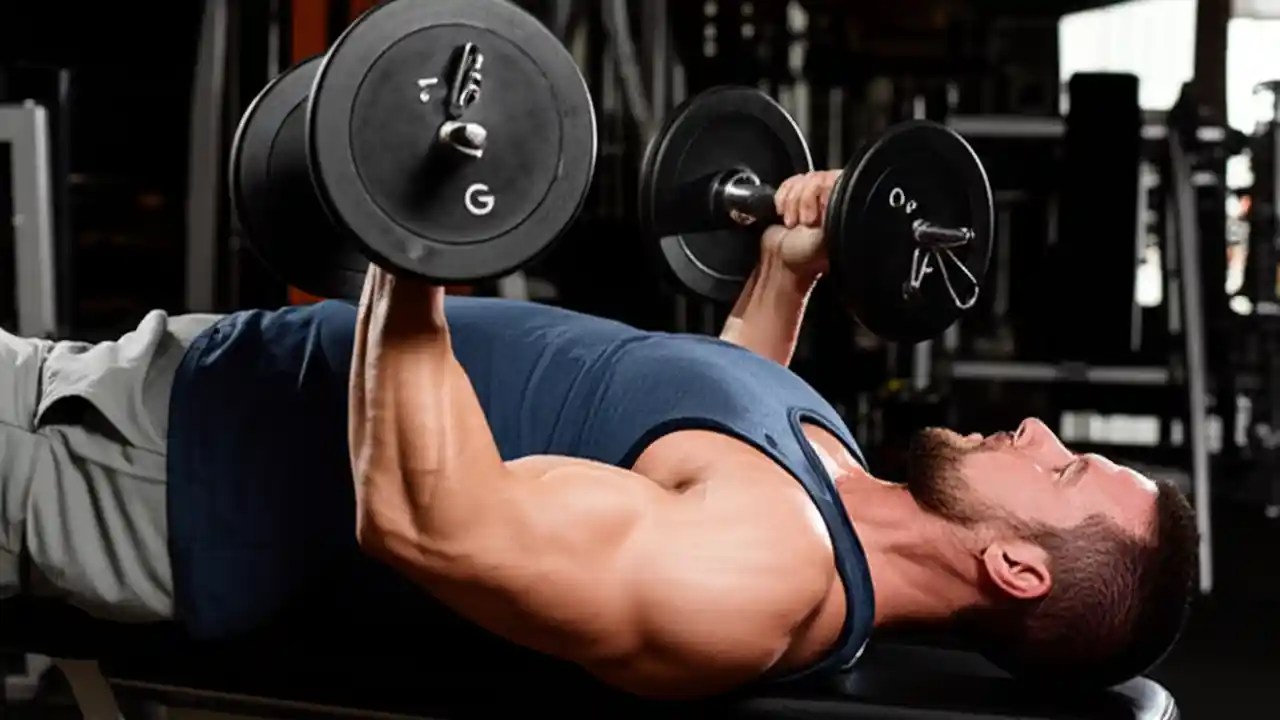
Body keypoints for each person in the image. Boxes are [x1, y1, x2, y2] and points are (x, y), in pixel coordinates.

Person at [0, 171, 1197, 700]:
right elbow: (707, 430)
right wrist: (785, 276)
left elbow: (432, 523)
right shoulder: (836, 495)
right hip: (179, 388)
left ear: (1016, 567)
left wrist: (408, 243)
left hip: (152, 474)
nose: (1042, 430)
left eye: (1067, 469)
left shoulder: (752, 581)